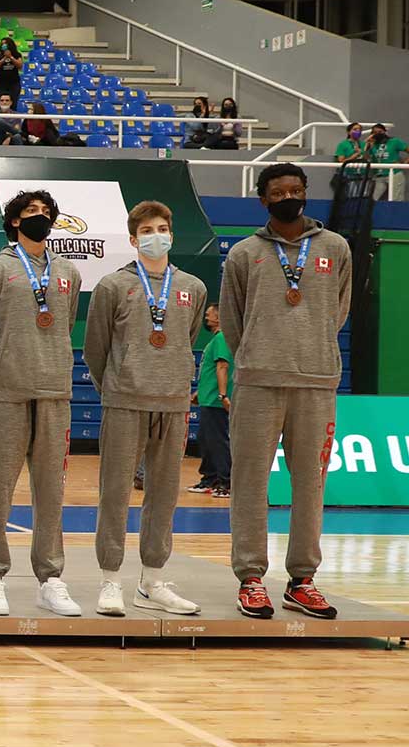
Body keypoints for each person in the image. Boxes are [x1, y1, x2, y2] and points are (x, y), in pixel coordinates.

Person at [222, 163, 349, 619]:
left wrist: (309, 350)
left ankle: (302, 580)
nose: (288, 196)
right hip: (258, 382)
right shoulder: (244, 253)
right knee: (250, 484)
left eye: (296, 190)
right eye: (279, 192)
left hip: (315, 383)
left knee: (311, 485)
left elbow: (338, 311)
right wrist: (260, 356)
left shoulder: (334, 248)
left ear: (306, 193)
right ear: (264, 200)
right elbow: (233, 322)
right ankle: (251, 578)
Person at [82, 201, 207, 617]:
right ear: (134, 240)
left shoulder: (192, 286)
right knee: (115, 494)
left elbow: (186, 340)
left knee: (164, 497)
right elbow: (95, 349)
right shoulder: (112, 287)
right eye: (148, 230)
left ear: (172, 233)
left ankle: (152, 581)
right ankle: (110, 581)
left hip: (172, 404)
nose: (157, 235)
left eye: (163, 227)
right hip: (125, 402)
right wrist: (118, 386)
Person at [0, 189, 82, 617]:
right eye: (31, 212)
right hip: (9, 391)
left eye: (46, 212)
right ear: (15, 221)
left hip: (55, 392)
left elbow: (65, 325)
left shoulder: (68, 272)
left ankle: (50, 578)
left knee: (52, 490)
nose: (41, 217)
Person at [190, 304, 234, 498]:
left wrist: (222, 395)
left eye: (209, 315)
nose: (206, 318)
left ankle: (226, 481)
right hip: (208, 399)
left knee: (218, 441)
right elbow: (210, 371)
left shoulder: (222, 338)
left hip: (216, 401)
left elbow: (222, 366)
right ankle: (209, 478)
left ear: (219, 317)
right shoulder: (215, 339)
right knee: (206, 440)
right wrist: (201, 392)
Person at [0, 37, 22, 107]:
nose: (3, 45)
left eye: (5, 44)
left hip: (14, 83)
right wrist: (4, 58)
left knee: (13, 103)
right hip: (1, 84)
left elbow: (20, 65)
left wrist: (11, 57)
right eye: (2, 44)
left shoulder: (17, 55)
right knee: (1, 104)